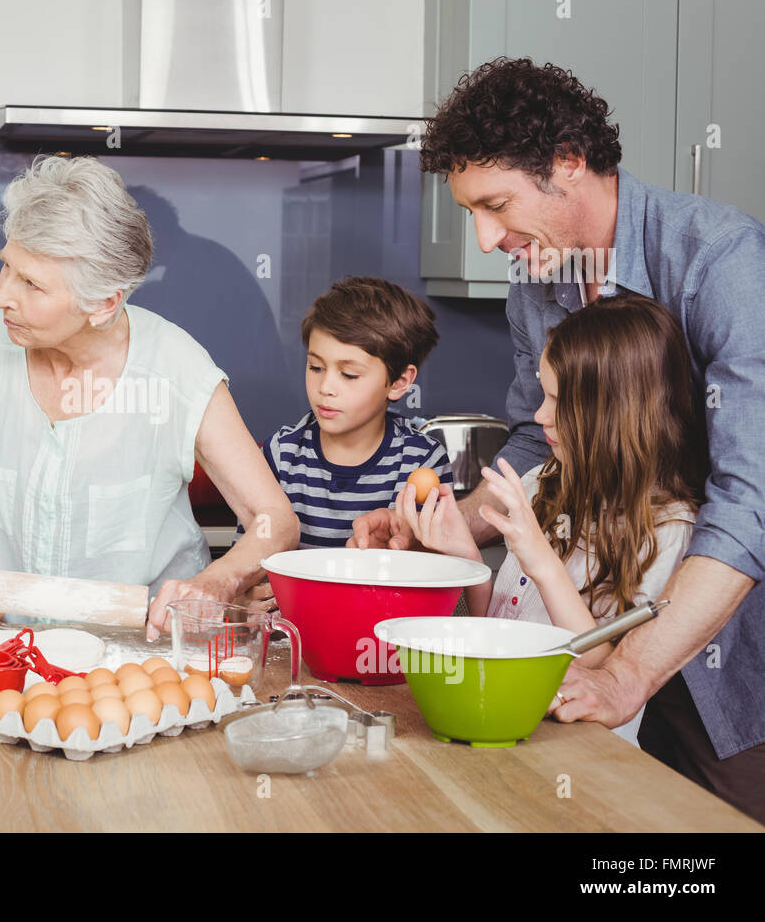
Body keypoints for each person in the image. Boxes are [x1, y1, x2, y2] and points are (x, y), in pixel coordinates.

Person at [350, 57, 765, 821]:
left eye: (497, 204)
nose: (484, 239)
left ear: (569, 164)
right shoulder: (537, 280)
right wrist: (446, 520)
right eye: (472, 211)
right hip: (605, 636)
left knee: (711, 835)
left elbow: (751, 499)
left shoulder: (722, 263)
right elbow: (534, 446)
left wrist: (630, 671)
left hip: (725, 651)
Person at [0, 155, 299, 636]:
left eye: (31, 284)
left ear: (104, 303)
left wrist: (216, 583)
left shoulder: (177, 369)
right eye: (7, 268)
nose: (2, 296)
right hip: (10, 647)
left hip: (150, 655)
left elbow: (273, 519)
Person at [395, 296, 704, 745]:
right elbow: (496, 634)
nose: (539, 415)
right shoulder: (543, 481)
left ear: (613, 412)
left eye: (558, 400)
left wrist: (541, 561)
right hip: (504, 721)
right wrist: (464, 552)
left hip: (580, 750)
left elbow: (604, 670)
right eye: (543, 393)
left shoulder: (667, 530)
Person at [238, 276, 452, 549]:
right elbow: (248, 555)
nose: (325, 387)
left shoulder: (422, 461)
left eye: (349, 375)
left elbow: (434, 568)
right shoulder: (280, 455)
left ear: (399, 381)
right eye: (316, 367)